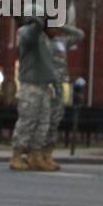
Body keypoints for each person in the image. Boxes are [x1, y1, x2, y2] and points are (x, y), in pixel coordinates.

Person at [12, 14, 58, 171]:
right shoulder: (25, 33)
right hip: (30, 85)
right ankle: (17, 155)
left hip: (44, 86)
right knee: (27, 122)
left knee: (43, 123)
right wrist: (40, 20)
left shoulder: (44, 37)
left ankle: (35, 155)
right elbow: (32, 33)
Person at [42, 19, 86, 170]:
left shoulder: (61, 41)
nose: (54, 30)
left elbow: (80, 35)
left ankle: (48, 154)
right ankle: (37, 153)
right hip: (46, 84)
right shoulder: (42, 42)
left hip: (60, 85)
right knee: (43, 120)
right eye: (51, 27)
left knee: (55, 119)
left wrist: (62, 25)